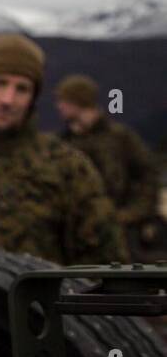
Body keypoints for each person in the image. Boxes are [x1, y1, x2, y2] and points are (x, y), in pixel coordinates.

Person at [0, 37, 127, 265]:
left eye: (22, 89)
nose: (7, 99)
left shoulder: (64, 166)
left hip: (34, 299)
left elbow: (105, 266)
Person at [55, 74, 163, 259]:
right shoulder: (63, 142)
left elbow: (148, 176)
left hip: (125, 232)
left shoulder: (120, 139)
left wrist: (131, 214)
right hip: (78, 234)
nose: (59, 106)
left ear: (77, 101)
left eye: (63, 100)